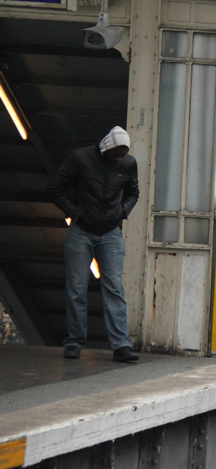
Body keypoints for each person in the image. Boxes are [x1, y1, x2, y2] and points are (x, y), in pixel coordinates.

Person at [47, 126, 140, 362]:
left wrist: (121, 213)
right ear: (106, 148)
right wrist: (76, 213)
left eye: (122, 154)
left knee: (114, 289)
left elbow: (133, 193)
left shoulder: (128, 164)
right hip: (81, 230)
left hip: (110, 232)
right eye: (115, 154)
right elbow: (56, 189)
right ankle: (75, 342)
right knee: (76, 288)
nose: (119, 158)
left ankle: (121, 346)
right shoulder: (80, 158)